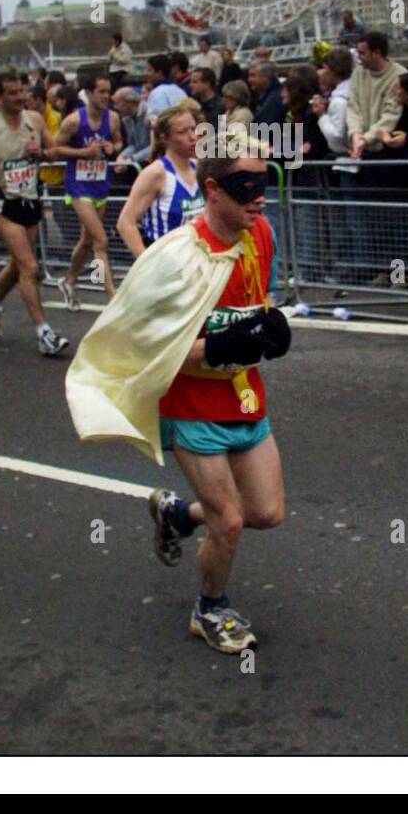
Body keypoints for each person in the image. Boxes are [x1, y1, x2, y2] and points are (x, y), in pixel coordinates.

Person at [66, 151, 291, 654]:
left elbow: (252, 306)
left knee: (267, 512)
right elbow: (148, 350)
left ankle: (178, 516)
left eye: (263, 182)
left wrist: (265, 333)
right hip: (192, 405)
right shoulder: (173, 258)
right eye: (244, 184)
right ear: (213, 190)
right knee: (229, 520)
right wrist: (220, 347)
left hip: (245, 395)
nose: (258, 196)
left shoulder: (262, 235)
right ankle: (210, 609)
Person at [0, 70, 69, 355]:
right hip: (2, 204)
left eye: (22, 92)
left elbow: (54, 151)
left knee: (19, 264)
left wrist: (40, 152)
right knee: (30, 268)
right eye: (13, 93)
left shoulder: (36, 120)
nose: (20, 97)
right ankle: (45, 334)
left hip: (29, 201)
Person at [54, 74, 122, 309]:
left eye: (108, 91)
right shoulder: (73, 121)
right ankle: (112, 296)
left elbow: (118, 142)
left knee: (86, 240)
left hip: (100, 183)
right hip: (78, 186)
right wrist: (82, 153)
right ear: (89, 93)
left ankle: (69, 281)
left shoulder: (112, 118)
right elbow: (55, 148)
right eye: (102, 91)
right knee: (100, 239)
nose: (106, 96)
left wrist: (112, 147)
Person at [117, 105, 203, 257]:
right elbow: (125, 223)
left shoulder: (198, 168)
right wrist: (146, 263)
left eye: (193, 129)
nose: (192, 137)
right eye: (183, 132)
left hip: (194, 259)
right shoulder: (155, 173)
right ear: (165, 139)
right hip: (164, 260)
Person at [346, 32, 407, 159]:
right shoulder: (357, 73)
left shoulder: (400, 75)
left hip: (387, 149)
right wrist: (355, 134)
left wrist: (366, 138)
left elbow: (391, 115)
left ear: (377, 53)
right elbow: (353, 107)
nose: (358, 57)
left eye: (362, 53)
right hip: (362, 146)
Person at [309, 47, 353, 155]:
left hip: (344, 155)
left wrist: (322, 115)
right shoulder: (351, 89)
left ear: (332, 70)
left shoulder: (340, 100)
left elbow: (336, 136)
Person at [145, 54, 187, 120]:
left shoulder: (157, 92)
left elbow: (156, 120)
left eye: (150, 70)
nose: (147, 73)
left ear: (159, 72)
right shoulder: (180, 90)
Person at [189, 66, 224, 131]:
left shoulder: (221, 106)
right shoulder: (192, 103)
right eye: (191, 82)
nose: (190, 85)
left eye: (195, 82)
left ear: (207, 84)